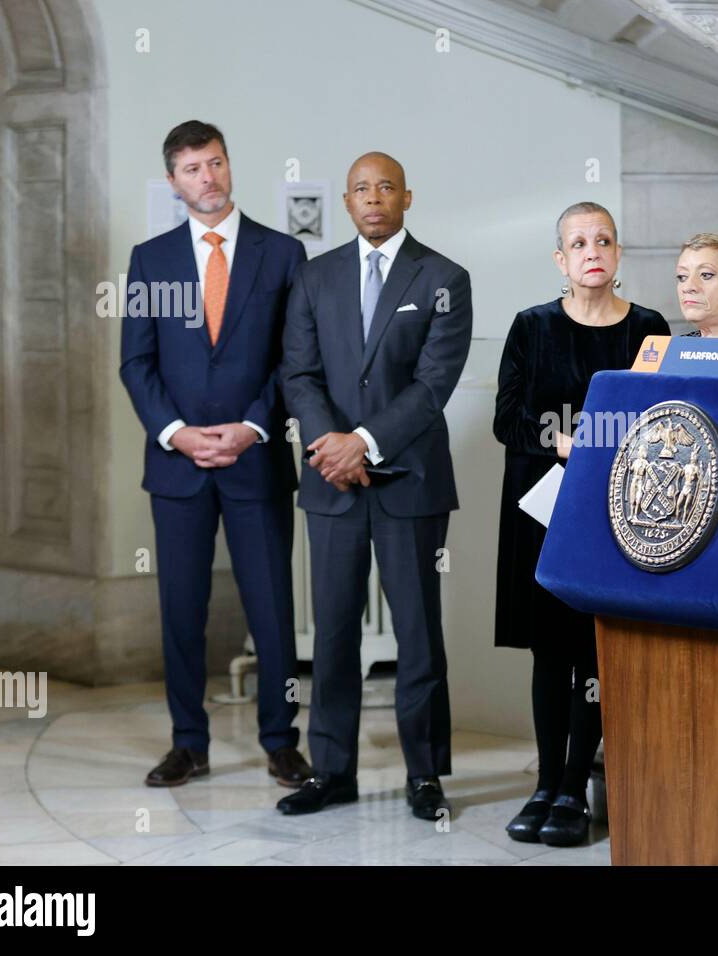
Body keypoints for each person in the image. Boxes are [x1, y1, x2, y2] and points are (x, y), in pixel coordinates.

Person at [278, 152, 472, 819]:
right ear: (347, 200)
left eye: (385, 187)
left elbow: (432, 385)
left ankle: (425, 774)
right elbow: (297, 375)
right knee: (332, 633)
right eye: (361, 188)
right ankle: (332, 770)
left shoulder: (445, 277)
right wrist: (332, 444)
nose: (373, 197)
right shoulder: (314, 277)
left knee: (418, 633)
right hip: (333, 486)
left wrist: (362, 443)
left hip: (409, 483)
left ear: (406, 198)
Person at [119, 120, 311, 789]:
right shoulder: (151, 260)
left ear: (230, 167)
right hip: (177, 467)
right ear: (174, 181)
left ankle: (282, 742)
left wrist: (252, 427)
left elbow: (296, 362)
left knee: (273, 609)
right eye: (193, 168)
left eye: (217, 163)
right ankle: (188, 743)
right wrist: (176, 431)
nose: (209, 177)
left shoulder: (283, 255)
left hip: (255, 460)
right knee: (181, 611)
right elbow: (135, 363)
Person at [494, 202, 669, 847]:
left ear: (617, 254)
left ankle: (573, 787)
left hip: (619, 509)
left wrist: (599, 443)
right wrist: (561, 439)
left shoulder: (648, 328)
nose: (591, 250)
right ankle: (543, 783)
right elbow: (506, 418)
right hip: (541, 506)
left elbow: (662, 414)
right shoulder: (530, 326)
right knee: (550, 651)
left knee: (595, 650)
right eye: (578, 242)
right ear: (560, 260)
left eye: (603, 240)